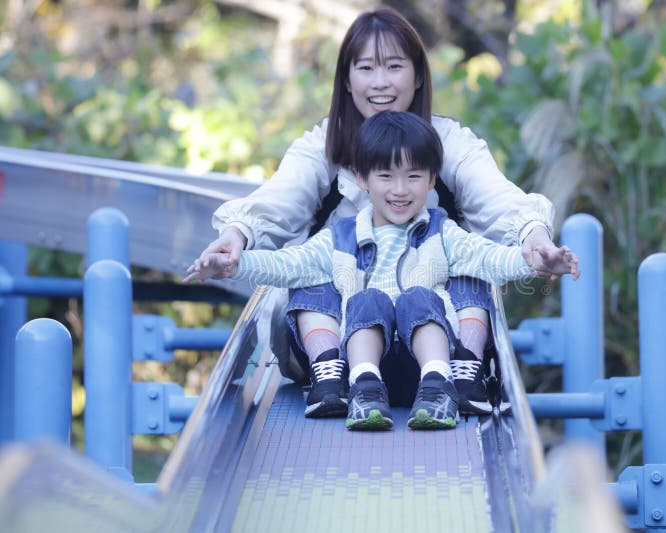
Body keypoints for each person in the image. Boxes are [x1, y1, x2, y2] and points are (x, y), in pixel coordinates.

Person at [196, 7, 579, 419]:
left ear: (417, 76)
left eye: (394, 66)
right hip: (340, 336)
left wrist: (532, 238)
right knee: (315, 269)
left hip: (432, 336)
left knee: (467, 263)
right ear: (347, 79)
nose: (380, 83)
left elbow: (495, 196)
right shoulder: (325, 147)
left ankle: (463, 372)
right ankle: (331, 376)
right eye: (366, 68)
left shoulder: (446, 141)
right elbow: (279, 199)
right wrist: (236, 239)